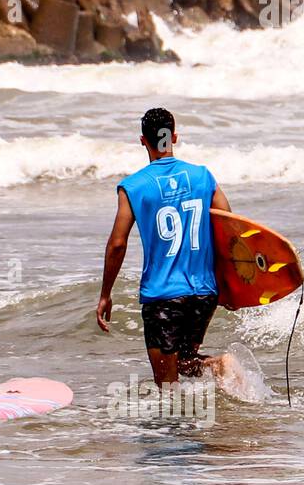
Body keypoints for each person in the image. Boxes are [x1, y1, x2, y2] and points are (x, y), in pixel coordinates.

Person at [96, 108, 232, 384]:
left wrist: (105, 294)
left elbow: (117, 244)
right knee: (184, 362)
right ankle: (217, 369)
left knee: (167, 386)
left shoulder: (133, 186)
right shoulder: (202, 176)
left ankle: (173, 424)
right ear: (174, 137)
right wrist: (231, 287)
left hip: (162, 295)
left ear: (143, 141)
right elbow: (229, 228)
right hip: (204, 294)